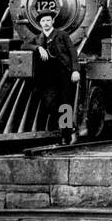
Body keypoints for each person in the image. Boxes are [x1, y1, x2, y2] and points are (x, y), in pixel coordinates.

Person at [30, 12, 81, 144]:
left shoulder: (62, 35)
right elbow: (24, 45)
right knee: (50, 104)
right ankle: (62, 130)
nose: (46, 23)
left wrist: (75, 70)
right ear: (40, 24)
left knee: (66, 104)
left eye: (48, 20)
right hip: (48, 77)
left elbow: (72, 52)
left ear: (52, 21)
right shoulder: (38, 37)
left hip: (64, 74)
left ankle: (67, 135)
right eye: (43, 21)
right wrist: (38, 48)